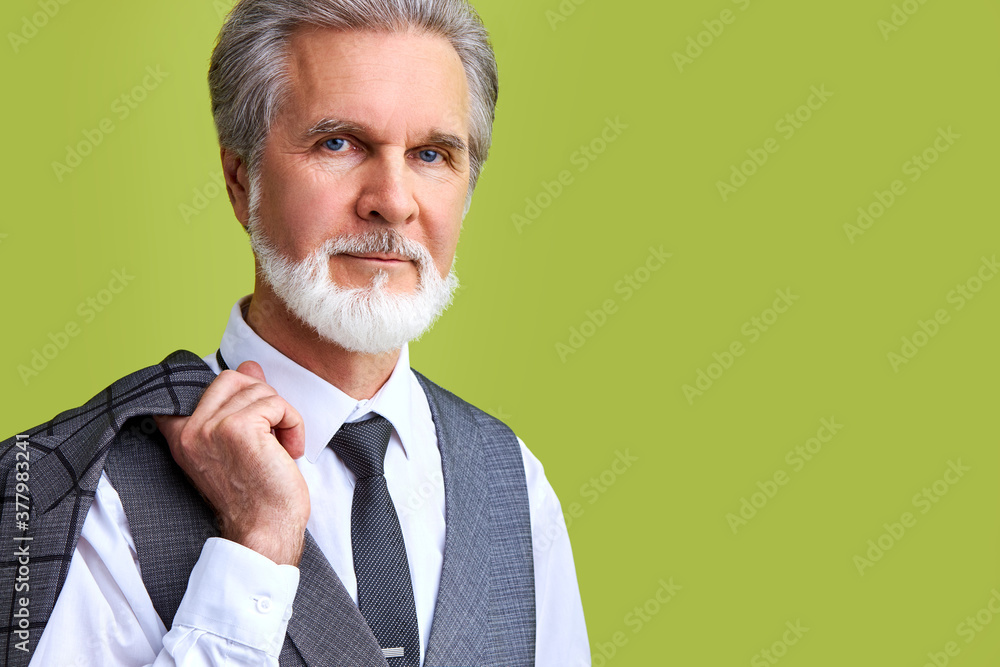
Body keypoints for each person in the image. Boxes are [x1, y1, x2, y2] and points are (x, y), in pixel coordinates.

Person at [0, 0, 588, 665]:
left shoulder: (516, 483)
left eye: (431, 154)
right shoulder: (79, 499)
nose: (392, 200)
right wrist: (255, 551)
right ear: (238, 177)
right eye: (338, 143)